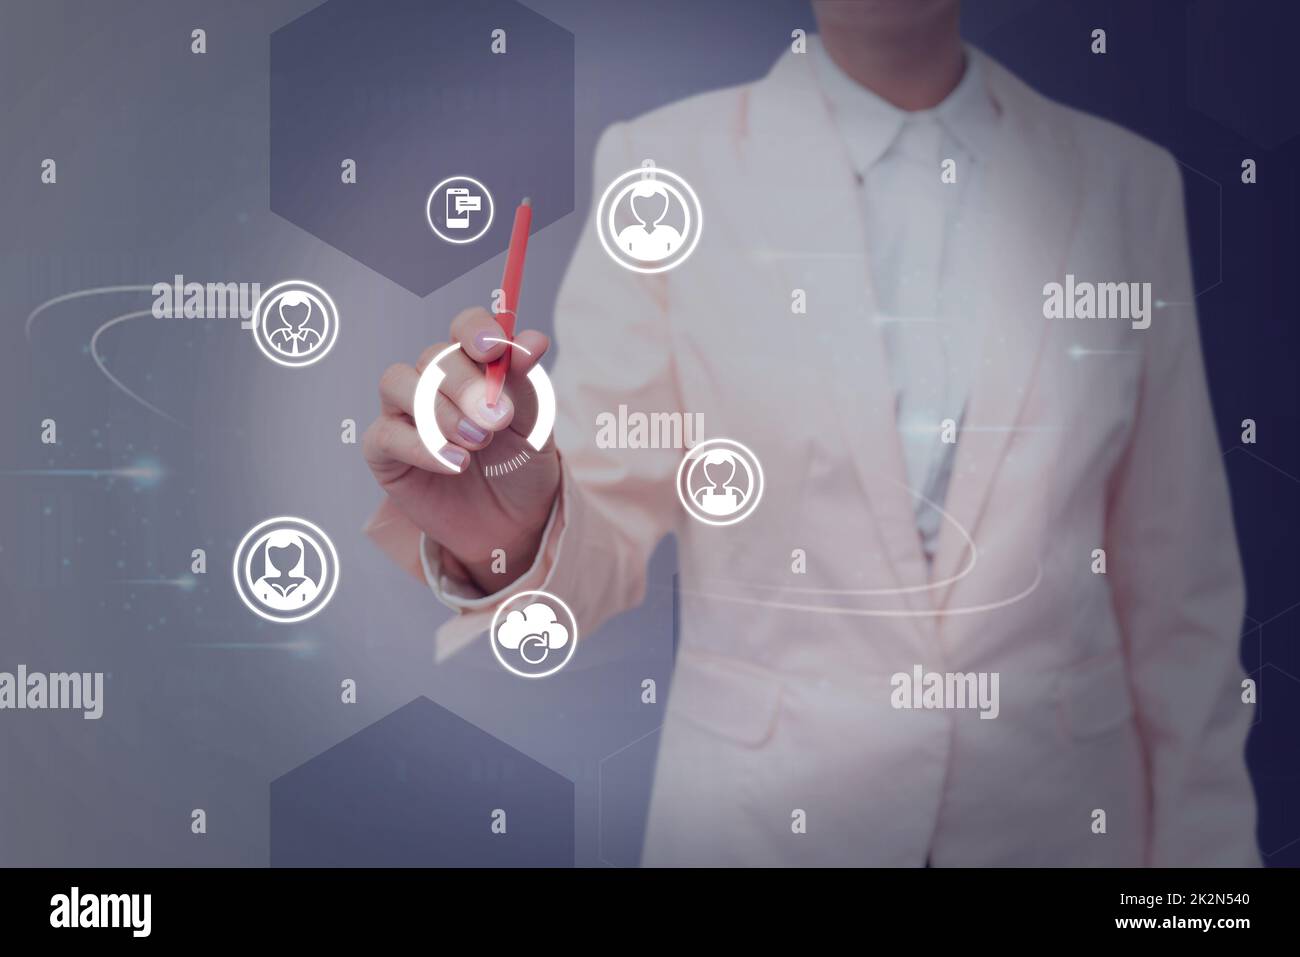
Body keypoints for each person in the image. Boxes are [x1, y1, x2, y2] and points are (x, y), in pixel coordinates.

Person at [363, 0, 1257, 866]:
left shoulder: (1123, 185)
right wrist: (514, 531)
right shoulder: (663, 172)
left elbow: (1180, 591)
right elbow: (606, 517)